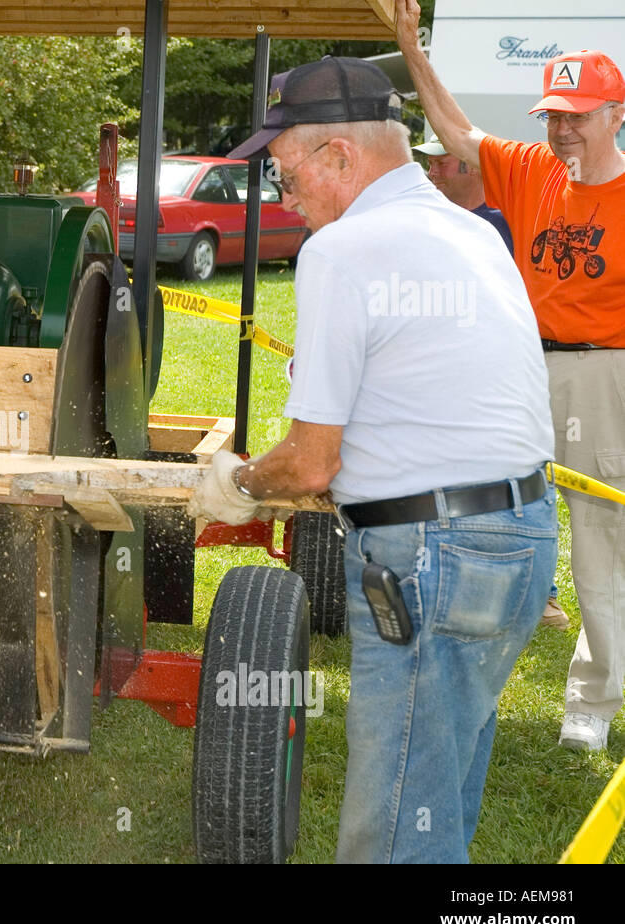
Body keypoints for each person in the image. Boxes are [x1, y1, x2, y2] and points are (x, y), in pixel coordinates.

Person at [197, 55, 557, 863]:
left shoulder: (344, 251)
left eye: (286, 176)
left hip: (433, 556)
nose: (285, 197)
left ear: (339, 157)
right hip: (520, 536)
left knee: (392, 832)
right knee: (439, 798)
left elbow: (311, 464)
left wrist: (238, 485)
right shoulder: (471, 231)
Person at [396, 0, 625, 751]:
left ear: (615, 116)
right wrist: (411, 48)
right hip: (523, 368)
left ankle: (592, 701)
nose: (561, 129)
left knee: (600, 538)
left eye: (578, 116)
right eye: (553, 115)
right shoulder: (530, 171)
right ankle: (465, 675)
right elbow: (458, 132)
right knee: (493, 519)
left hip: (604, 374)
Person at [414, 134, 572, 631]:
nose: (432, 174)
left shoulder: (510, 223)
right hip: (447, 369)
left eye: (439, 165)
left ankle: (540, 594)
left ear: (468, 167)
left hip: (506, 369)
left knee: (525, 471)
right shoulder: (430, 221)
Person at [413, 135, 514, 254]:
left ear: (472, 166)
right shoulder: (426, 218)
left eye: (441, 163)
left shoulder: (506, 224)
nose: (432, 172)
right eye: (430, 164)